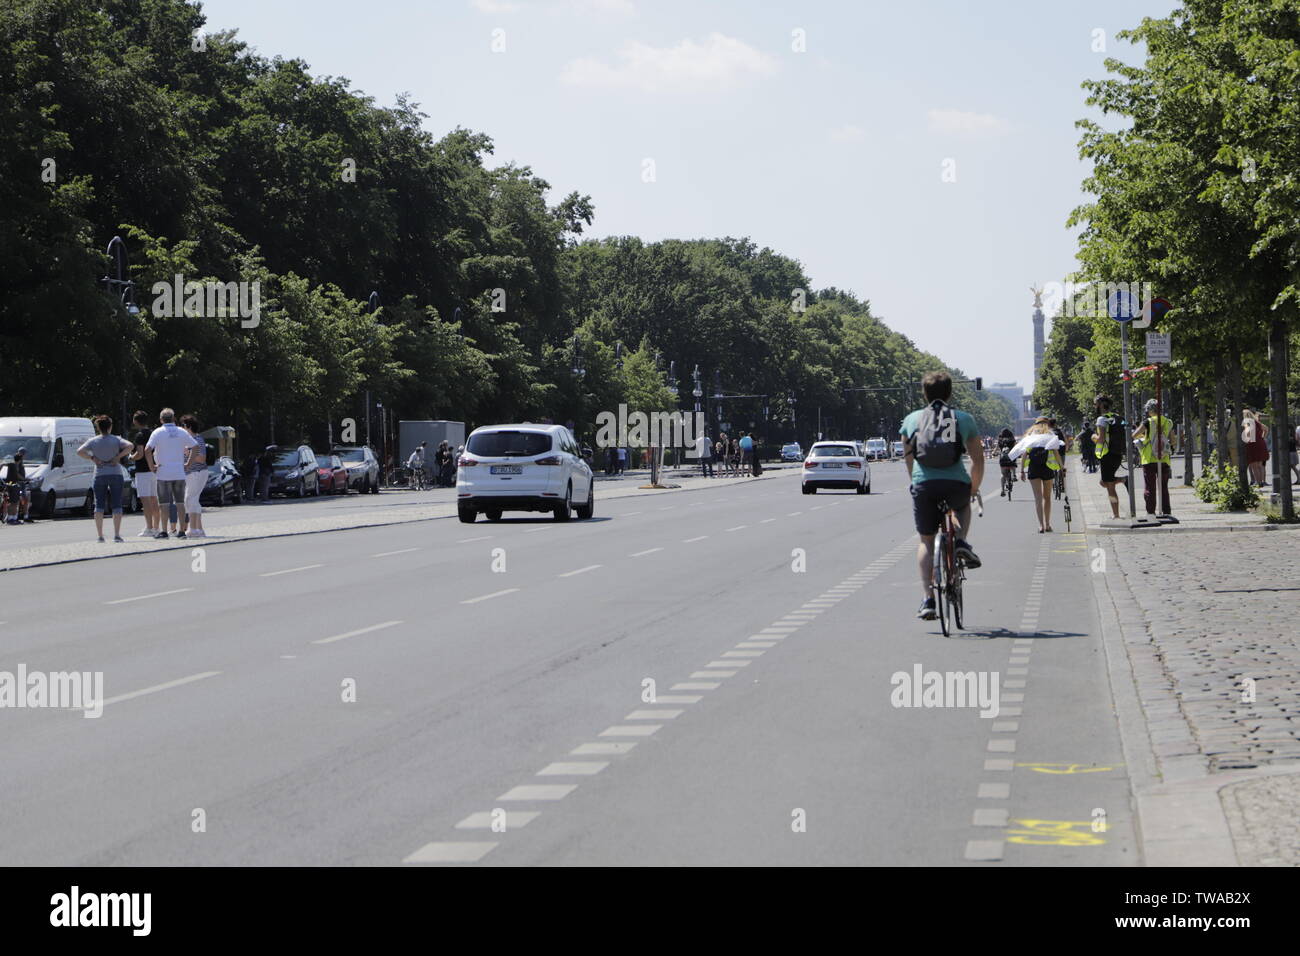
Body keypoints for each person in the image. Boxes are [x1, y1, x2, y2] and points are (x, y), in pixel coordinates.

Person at [900, 371, 984, 621]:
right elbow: (978, 459)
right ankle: (960, 541)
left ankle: (928, 599)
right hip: (955, 482)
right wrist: (974, 488)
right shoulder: (963, 418)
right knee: (962, 508)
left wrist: (915, 483)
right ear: (950, 392)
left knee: (926, 540)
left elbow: (909, 459)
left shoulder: (912, 420)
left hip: (924, 484)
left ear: (924, 393)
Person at [76, 415, 133, 542]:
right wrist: (118, 456)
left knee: (99, 504)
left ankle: (100, 535)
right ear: (110, 426)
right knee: (117, 504)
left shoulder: (93, 441)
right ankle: (117, 535)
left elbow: (79, 451)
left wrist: (92, 458)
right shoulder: (116, 439)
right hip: (115, 472)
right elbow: (130, 446)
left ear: (98, 427)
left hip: (99, 474)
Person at [145, 408, 197, 538]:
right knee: (180, 503)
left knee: (163, 504)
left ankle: (164, 531)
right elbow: (195, 447)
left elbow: (147, 449)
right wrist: (188, 464)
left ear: (161, 419)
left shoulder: (157, 432)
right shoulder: (181, 432)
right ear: (174, 418)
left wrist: (152, 466)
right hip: (179, 472)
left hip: (163, 472)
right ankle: (182, 531)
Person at [1012, 418, 1064, 532]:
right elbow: (1056, 452)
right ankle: (1048, 524)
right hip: (1047, 467)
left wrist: (1021, 471)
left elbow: (1024, 454)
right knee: (1047, 498)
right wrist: (1061, 468)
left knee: (1038, 498)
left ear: (1035, 425)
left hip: (1034, 468)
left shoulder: (1030, 436)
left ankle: (1040, 525)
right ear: (1047, 424)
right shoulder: (1050, 434)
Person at [1133, 398, 1177, 515]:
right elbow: (1173, 441)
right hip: (1164, 459)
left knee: (1150, 488)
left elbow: (1134, 435)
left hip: (1149, 459)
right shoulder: (1168, 422)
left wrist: (1143, 437)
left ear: (1149, 410)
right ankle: (1166, 511)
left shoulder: (1148, 422)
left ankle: (1151, 512)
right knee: (1163, 487)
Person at [1092, 394, 1127, 520]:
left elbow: (1100, 439)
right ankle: (1122, 480)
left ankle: (1116, 514)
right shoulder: (1119, 417)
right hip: (1118, 453)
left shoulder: (1101, 419)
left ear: (1100, 405)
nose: (1094, 407)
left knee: (1109, 486)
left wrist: (1093, 437)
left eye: (1095, 404)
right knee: (1104, 482)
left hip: (1106, 455)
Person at [129, 410, 159, 537]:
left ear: (136, 421)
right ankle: (157, 527)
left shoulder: (140, 435)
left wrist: (131, 457)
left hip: (142, 471)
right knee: (154, 500)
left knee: (145, 500)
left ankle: (149, 528)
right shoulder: (153, 434)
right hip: (154, 470)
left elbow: (140, 454)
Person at [179, 415, 208, 538]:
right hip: (192, 474)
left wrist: (188, 453)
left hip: (197, 472)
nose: (181, 428)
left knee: (189, 500)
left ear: (188, 426)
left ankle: (194, 529)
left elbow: (202, 459)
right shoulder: (188, 440)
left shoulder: (197, 439)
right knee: (194, 500)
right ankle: (199, 530)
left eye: (183, 425)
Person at [3, 446, 33, 524]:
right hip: (14, 483)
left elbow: (2, 464)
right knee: (14, 501)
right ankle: (11, 518)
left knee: (15, 501)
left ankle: (13, 517)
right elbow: (17, 473)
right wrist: (24, 479)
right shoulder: (15, 462)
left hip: (13, 483)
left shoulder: (15, 461)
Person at [1242, 408, 1269, 487]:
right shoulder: (1257, 422)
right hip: (1261, 443)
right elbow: (1266, 429)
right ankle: (1261, 482)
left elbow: (1248, 435)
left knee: (1254, 466)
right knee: (1260, 465)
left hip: (1252, 445)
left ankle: (1258, 482)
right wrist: (1263, 437)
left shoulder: (1247, 423)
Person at [996, 427, 1016, 496]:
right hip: (1011, 456)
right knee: (1013, 463)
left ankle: (1002, 490)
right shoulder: (1012, 439)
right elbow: (1015, 447)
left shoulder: (1000, 440)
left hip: (1003, 458)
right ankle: (1014, 475)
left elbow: (996, 448)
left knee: (1002, 474)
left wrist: (993, 453)